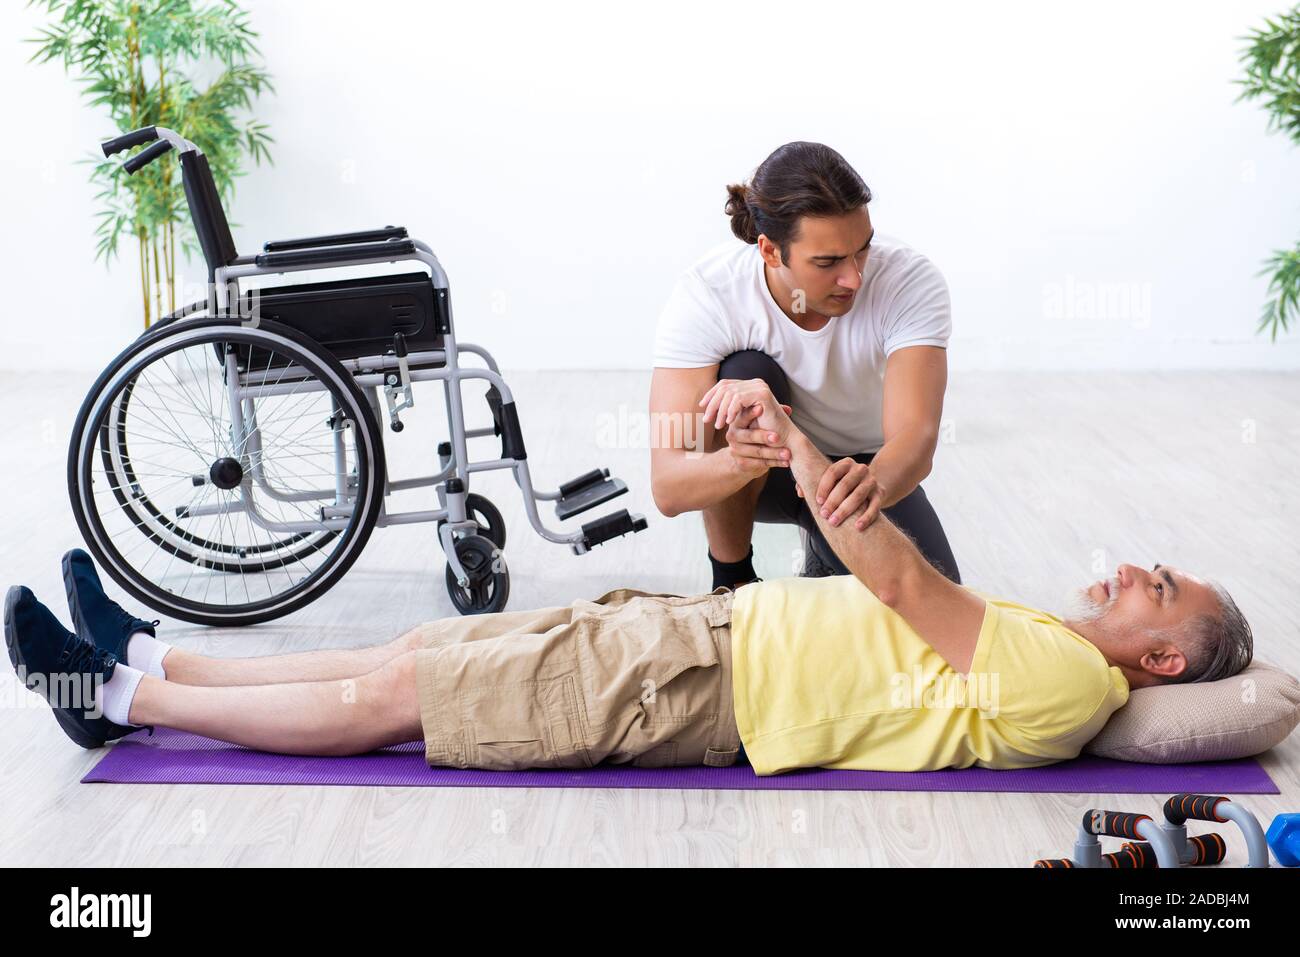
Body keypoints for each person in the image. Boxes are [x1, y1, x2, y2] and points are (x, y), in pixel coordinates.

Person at [7, 385, 1253, 775]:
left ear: (1158, 661)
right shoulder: (1051, 642)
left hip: (700, 686)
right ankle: (156, 658)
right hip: (706, 637)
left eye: (1164, 590)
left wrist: (790, 443)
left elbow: (885, 568)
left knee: (390, 707)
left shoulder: (1060, 682)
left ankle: (115, 701)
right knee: (406, 660)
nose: (1140, 571)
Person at [650, 140, 960, 591]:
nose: (853, 277)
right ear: (770, 251)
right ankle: (732, 580)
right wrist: (741, 461)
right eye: (828, 261)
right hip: (766, 474)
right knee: (745, 372)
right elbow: (669, 485)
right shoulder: (708, 294)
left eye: (862, 249)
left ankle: (825, 545)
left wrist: (871, 484)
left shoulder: (909, 281)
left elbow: (916, 435)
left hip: (866, 469)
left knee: (937, 606)